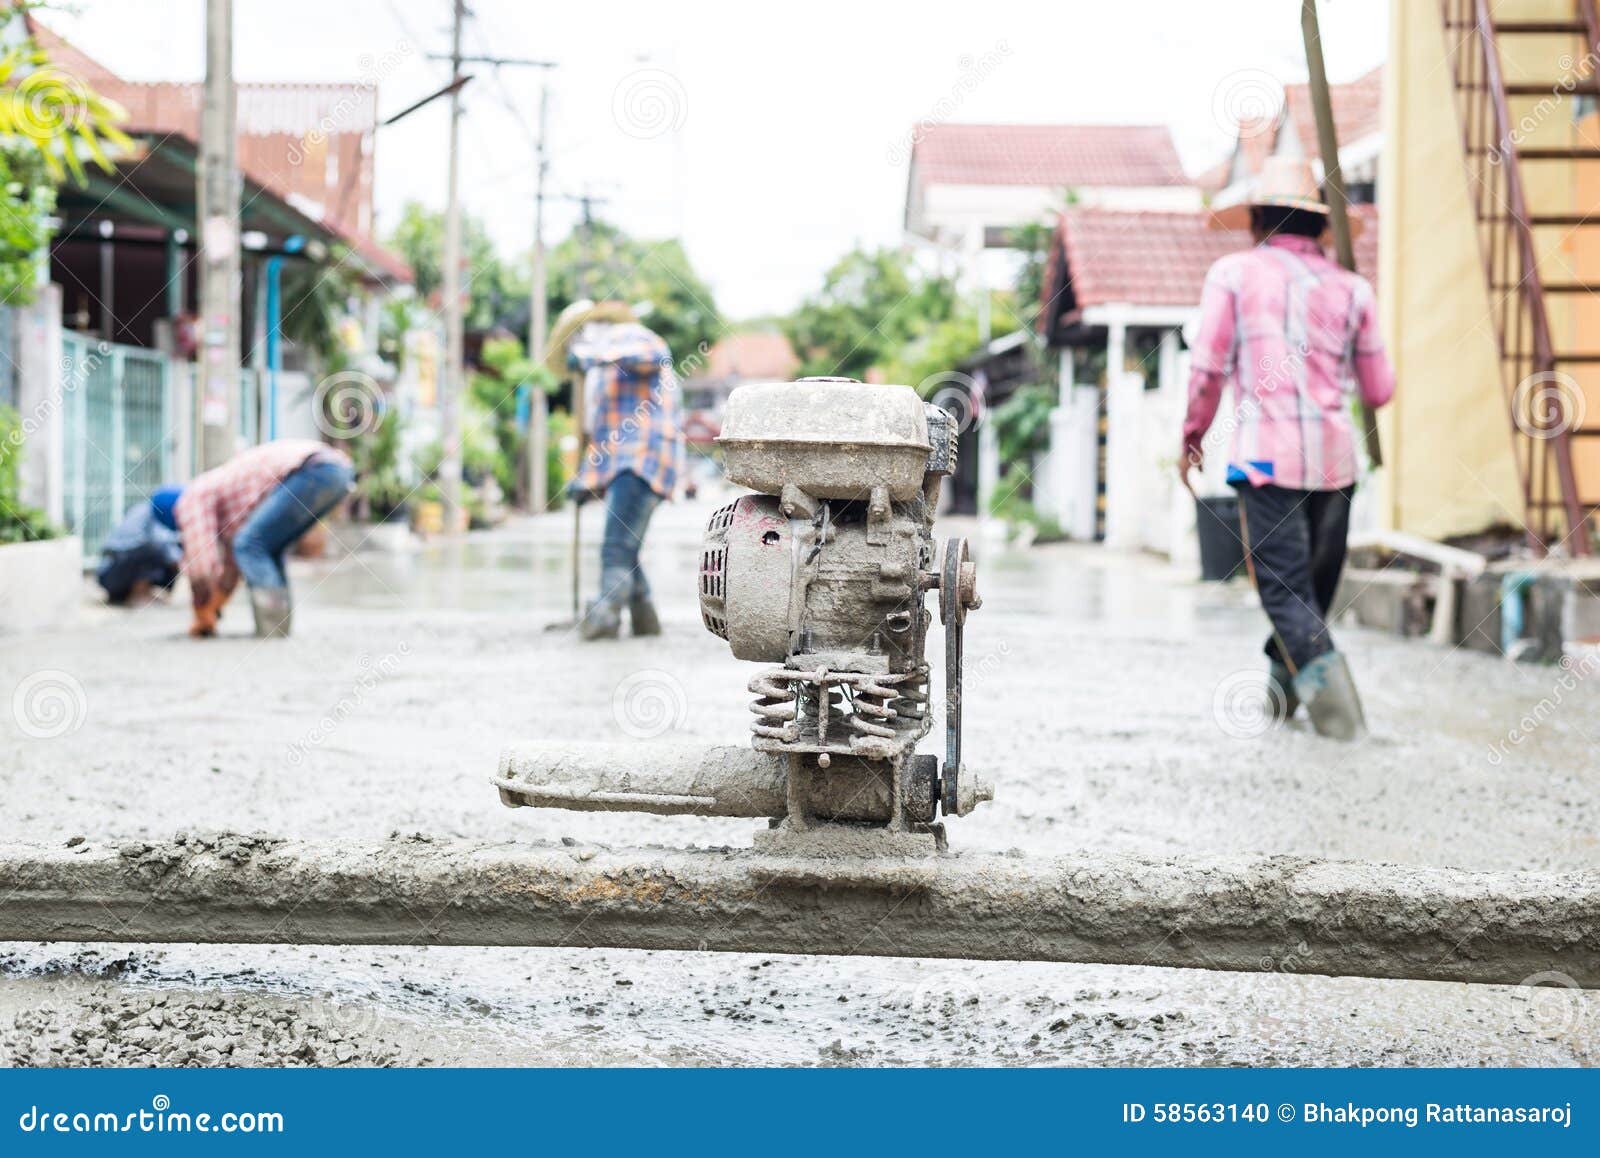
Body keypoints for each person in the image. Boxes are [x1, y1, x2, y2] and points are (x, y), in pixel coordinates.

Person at [1181, 157, 1395, 741]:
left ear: (1256, 222)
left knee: (1289, 597)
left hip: (1267, 463)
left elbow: (1206, 370)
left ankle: (1348, 733)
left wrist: (1192, 437)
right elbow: (1381, 389)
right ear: (1322, 228)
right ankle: (1283, 713)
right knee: (1307, 600)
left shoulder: (1233, 274)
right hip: (1336, 464)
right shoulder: (1354, 289)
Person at [150, 439, 355, 639]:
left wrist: (201, 608)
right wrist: (215, 607)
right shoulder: (224, 509)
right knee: (265, 547)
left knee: (251, 545)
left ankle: (272, 628)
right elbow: (233, 568)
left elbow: (201, 565)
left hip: (314, 469)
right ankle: (279, 628)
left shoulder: (190, 498)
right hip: (335, 471)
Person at [564, 310, 682, 641]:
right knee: (626, 547)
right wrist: (585, 480)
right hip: (628, 463)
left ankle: (604, 617)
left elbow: (654, 355)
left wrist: (592, 354)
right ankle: (646, 621)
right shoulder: (602, 374)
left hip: (645, 459)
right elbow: (607, 437)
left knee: (616, 548)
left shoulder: (630, 336)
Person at [96, 498, 182, 604]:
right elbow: (160, 544)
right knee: (153, 548)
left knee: (167, 551)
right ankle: (139, 595)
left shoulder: (147, 511)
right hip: (113, 573)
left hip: (115, 575)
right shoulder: (150, 513)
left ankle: (136, 593)